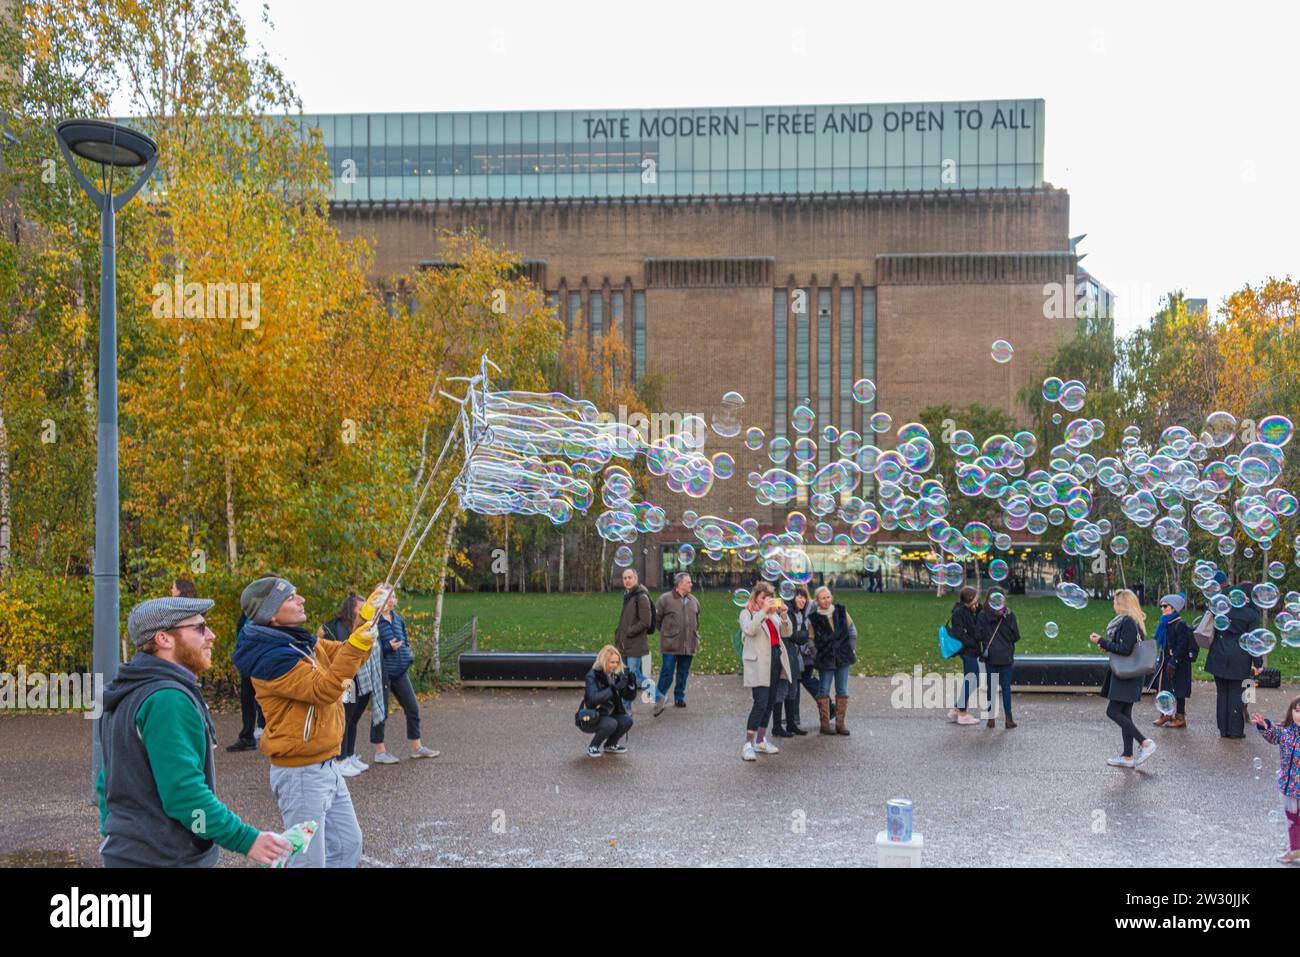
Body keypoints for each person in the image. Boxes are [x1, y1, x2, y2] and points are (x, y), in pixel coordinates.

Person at [97, 596, 290, 867]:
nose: (211, 636)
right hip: (164, 859)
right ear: (164, 638)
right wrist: (246, 839)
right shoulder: (167, 699)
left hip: (128, 855)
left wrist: (114, 834)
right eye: (199, 628)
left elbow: (107, 779)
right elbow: (184, 795)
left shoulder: (127, 690)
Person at [232, 576, 381, 867]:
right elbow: (324, 689)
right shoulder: (271, 657)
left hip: (327, 764)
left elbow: (343, 654)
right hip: (301, 774)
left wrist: (366, 621)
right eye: (290, 598)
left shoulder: (298, 641)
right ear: (271, 614)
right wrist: (357, 643)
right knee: (307, 862)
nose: (300, 600)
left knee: (348, 845)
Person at [1090, 588, 1156, 769]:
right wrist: (1109, 646)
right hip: (1131, 675)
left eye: (1115, 602)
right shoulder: (1134, 621)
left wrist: (1102, 641)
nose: (1114, 605)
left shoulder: (1127, 622)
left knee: (1113, 712)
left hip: (1126, 676)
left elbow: (1126, 649)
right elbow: (1125, 646)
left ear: (1122, 604)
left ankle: (1145, 743)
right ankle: (1127, 756)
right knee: (1125, 714)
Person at [372, 587, 439, 763]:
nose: (392, 601)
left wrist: (408, 653)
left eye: (393, 597)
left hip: (401, 672)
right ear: (379, 600)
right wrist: (388, 647)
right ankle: (380, 752)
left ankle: (417, 748)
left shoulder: (398, 620)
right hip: (383, 673)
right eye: (388, 598)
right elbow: (372, 649)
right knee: (381, 712)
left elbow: (406, 640)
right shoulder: (374, 622)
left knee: (413, 708)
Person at [323, 592, 385, 777]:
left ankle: (349, 754)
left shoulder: (359, 626)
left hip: (361, 681)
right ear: (351, 610)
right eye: (360, 609)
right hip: (347, 682)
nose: (364, 613)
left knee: (354, 718)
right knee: (345, 718)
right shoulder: (338, 627)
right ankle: (340, 759)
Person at [738, 582, 792, 761]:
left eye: (769, 598)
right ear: (755, 598)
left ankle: (760, 740)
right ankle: (748, 744)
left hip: (775, 662)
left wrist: (783, 614)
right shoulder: (747, 613)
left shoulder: (772, 615)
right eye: (763, 598)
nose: (767, 601)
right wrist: (763, 612)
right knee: (760, 703)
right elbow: (750, 630)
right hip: (759, 664)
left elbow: (786, 633)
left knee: (770, 703)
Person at [1204, 582, 1264, 738]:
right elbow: (1253, 641)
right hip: (1239, 658)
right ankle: (1235, 730)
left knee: (1222, 694)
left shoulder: (1223, 608)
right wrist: (1258, 663)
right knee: (1236, 694)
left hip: (1218, 655)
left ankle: (1223, 730)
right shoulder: (1252, 615)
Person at [1251, 696, 1300, 864]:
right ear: (1291, 713)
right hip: (1289, 787)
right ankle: (1295, 849)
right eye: (1297, 711)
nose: (1299, 715)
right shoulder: (1286, 733)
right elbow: (1273, 736)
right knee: (1292, 819)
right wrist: (1265, 726)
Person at [810, 585, 857, 735]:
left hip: (843, 656)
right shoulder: (814, 618)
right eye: (823, 598)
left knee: (842, 689)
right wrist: (816, 654)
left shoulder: (841, 611)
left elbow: (852, 631)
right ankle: (825, 724)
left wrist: (850, 648)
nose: (826, 600)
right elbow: (811, 640)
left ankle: (840, 724)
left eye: (828, 597)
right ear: (817, 600)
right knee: (823, 689)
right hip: (825, 659)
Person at [653, 572, 700, 714]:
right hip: (670, 644)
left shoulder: (694, 601)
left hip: (689, 644)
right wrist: (668, 633)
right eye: (688, 582)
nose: (691, 584)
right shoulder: (665, 599)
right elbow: (657, 620)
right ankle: (659, 698)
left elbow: (697, 621)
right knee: (667, 671)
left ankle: (679, 697)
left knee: (683, 672)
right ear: (679, 584)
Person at [583, 645, 639, 757]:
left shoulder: (615, 675)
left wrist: (631, 685)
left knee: (627, 720)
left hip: (608, 713)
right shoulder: (592, 676)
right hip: (591, 716)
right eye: (611, 662)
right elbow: (593, 700)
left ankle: (610, 745)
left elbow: (629, 697)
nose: (615, 665)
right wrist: (615, 688)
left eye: (617, 662)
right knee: (611, 723)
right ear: (604, 661)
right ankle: (593, 746)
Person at [1151, 594, 1197, 729]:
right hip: (1166, 660)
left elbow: (1182, 646)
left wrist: (1174, 661)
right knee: (1166, 687)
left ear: (1173, 608)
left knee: (1179, 690)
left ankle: (1180, 717)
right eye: (1161, 606)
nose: (1162, 609)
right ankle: (1166, 714)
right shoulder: (1165, 623)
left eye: (1165, 606)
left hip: (1179, 663)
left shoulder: (1179, 624)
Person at [772, 587, 812, 736]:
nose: (802, 600)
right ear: (792, 597)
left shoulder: (798, 614)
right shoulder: (787, 610)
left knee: (792, 690)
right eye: (799, 597)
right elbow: (792, 635)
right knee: (782, 690)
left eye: (804, 598)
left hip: (794, 656)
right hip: (785, 655)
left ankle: (790, 724)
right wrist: (805, 634)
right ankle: (777, 726)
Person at [226, 606, 266, 752]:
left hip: (263, 660)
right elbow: (240, 633)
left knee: (266, 697)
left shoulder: (271, 611)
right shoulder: (248, 612)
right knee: (247, 698)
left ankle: (270, 732)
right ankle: (247, 737)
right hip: (248, 661)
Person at [976, 598, 1020, 729]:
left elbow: (978, 635)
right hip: (1006, 656)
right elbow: (1016, 636)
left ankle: (991, 718)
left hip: (991, 657)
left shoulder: (982, 615)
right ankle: (1008, 718)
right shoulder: (1009, 615)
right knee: (1006, 688)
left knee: (991, 688)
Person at [615, 567, 654, 710]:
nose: (627, 580)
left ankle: (659, 697)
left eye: (629, 577)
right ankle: (626, 706)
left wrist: (629, 632)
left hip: (635, 644)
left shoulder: (641, 597)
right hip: (624, 644)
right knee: (626, 677)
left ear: (635, 579)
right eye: (624, 578)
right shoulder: (628, 595)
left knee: (635, 676)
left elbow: (646, 622)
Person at [946, 586, 983, 726]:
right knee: (972, 680)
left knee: (975, 680)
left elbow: (975, 623)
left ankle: (957, 708)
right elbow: (959, 634)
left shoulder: (968, 609)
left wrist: (978, 609)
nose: (977, 599)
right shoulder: (959, 612)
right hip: (968, 651)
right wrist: (973, 642)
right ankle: (962, 714)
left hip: (971, 651)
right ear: (970, 598)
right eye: (975, 597)